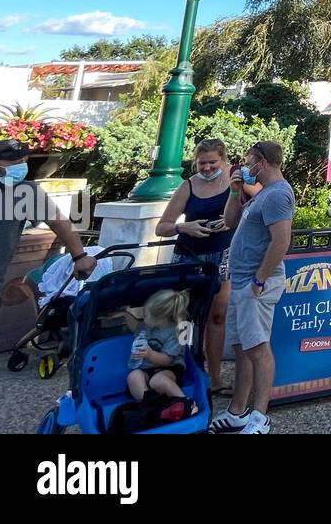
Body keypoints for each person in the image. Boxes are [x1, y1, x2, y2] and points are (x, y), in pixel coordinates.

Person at [208, 142, 294, 435]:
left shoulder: (279, 194)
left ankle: (260, 417)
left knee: (258, 348)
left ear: (263, 161)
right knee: (242, 347)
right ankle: (237, 411)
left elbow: (280, 241)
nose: (246, 166)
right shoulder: (262, 194)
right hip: (242, 280)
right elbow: (230, 222)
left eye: (249, 161)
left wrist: (259, 280)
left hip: (256, 283)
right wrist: (234, 190)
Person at [156, 138, 253, 390]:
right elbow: (162, 227)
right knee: (183, 315)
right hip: (189, 254)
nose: (207, 168)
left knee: (217, 316)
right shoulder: (188, 186)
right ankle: (179, 369)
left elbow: (258, 205)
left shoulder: (236, 178)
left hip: (223, 254)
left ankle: (215, 376)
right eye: (202, 164)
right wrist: (183, 226)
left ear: (224, 160)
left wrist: (232, 217)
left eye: (212, 163)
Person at [0, 138, 96, 362]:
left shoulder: (25, 191)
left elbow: (59, 222)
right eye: (15, 163)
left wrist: (80, 256)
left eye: (23, 161)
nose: (22, 167)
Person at [125, 288, 192, 407]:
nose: (143, 318)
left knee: (157, 381)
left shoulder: (178, 330)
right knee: (133, 377)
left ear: (159, 317)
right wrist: (124, 313)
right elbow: (135, 326)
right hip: (146, 369)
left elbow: (167, 360)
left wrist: (149, 354)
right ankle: (149, 406)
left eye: (145, 315)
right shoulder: (147, 327)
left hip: (169, 369)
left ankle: (186, 404)